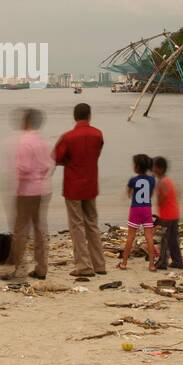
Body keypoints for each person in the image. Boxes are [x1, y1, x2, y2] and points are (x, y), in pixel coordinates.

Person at [2, 108, 54, 281]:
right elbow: (48, 165)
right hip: (43, 190)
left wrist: (16, 178)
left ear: (26, 122)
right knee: (40, 230)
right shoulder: (43, 141)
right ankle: (41, 268)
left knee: (20, 231)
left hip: (26, 191)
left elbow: (23, 168)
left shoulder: (24, 142)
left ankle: (19, 268)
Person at [55, 103, 106, 279]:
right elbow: (97, 153)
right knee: (92, 223)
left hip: (73, 186)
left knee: (76, 226)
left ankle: (84, 265)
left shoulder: (68, 137)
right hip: (91, 184)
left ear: (74, 116)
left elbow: (57, 157)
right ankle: (99, 264)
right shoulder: (97, 134)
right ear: (89, 116)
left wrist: (69, 162)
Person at [119, 154, 157, 271]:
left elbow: (129, 194)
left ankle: (124, 263)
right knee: (149, 237)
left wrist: (131, 193)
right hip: (146, 209)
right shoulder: (152, 179)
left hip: (135, 209)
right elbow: (150, 195)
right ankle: (151, 265)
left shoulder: (133, 180)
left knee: (130, 237)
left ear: (137, 167)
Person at [153, 156, 183, 272]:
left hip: (167, 216)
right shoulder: (169, 180)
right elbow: (178, 193)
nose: (153, 170)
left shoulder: (162, 182)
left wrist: (160, 202)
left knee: (165, 239)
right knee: (172, 240)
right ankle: (177, 261)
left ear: (160, 169)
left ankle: (162, 262)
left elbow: (163, 196)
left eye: (154, 167)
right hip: (174, 214)